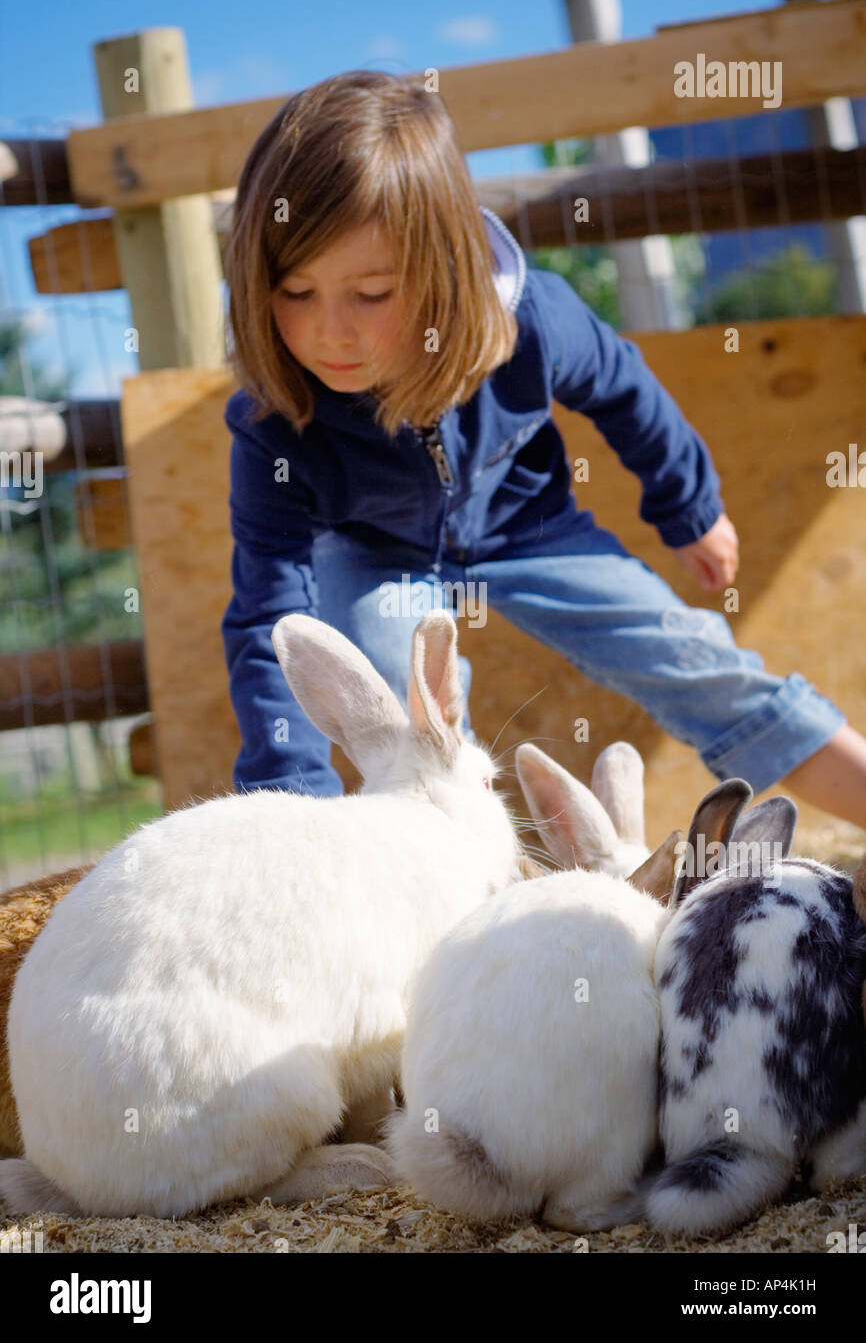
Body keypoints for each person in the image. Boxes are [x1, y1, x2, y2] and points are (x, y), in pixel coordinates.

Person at [220, 69, 866, 829]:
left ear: (444, 270)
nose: (332, 330)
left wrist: (689, 507)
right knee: (404, 720)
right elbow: (272, 620)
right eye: (296, 292)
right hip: (372, 554)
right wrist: (290, 804)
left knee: (696, 658)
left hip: (532, 529)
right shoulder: (272, 427)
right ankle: (469, 901)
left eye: (371, 293)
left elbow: (625, 389)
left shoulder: (534, 322)